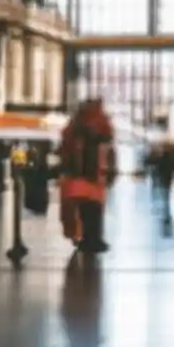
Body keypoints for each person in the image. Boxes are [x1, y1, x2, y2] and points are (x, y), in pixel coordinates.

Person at [59, 100, 116, 253]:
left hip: (79, 178)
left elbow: (65, 153)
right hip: (95, 178)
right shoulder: (102, 130)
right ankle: (93, 239)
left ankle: (85, 238)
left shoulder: (73, 130)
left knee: (84, 210)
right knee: (94, 210)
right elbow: (109, 153)